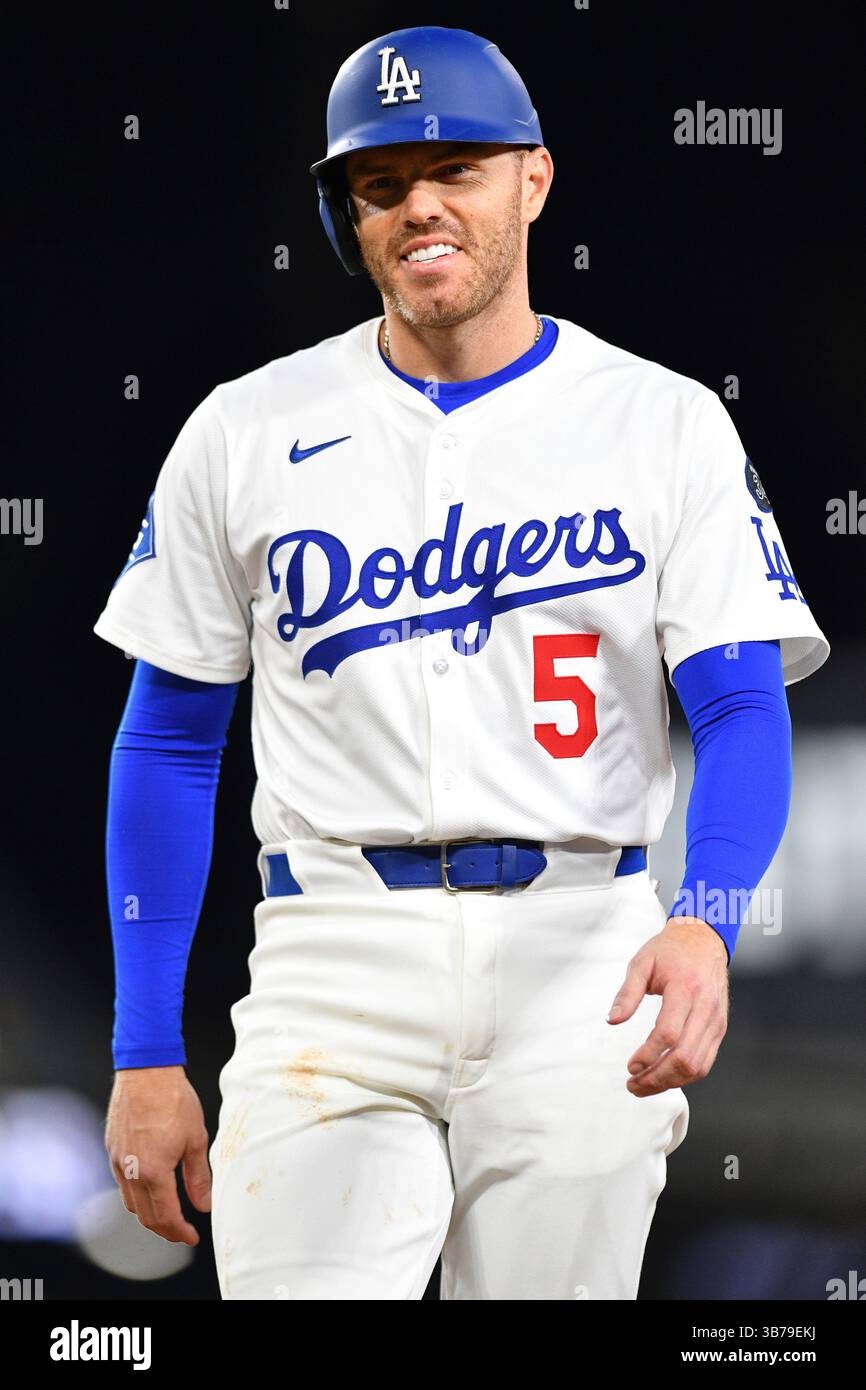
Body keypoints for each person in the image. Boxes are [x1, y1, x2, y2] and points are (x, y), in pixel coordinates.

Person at [96, 26, 829, 1299]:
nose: (418, 204)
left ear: (531, 181)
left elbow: (737, 704)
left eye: (456, 167)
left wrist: (705, 918)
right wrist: (145, 1048)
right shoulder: (245, 428)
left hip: (581, 951)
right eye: (379, 183)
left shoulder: (660, 420)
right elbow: (166, 742)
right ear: (345, 214)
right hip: (332, 951)